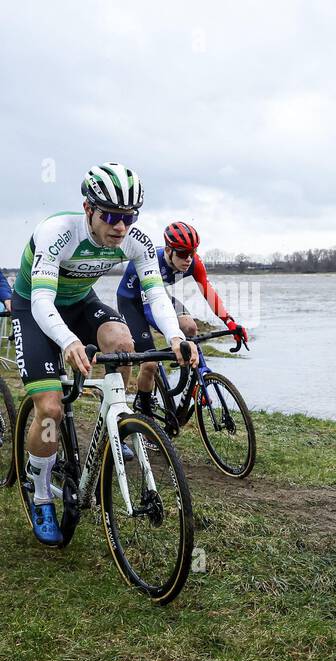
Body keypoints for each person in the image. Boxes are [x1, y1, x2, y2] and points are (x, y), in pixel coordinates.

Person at [10, 163, 196, 546]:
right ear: (88, 209)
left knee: (123, 343)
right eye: (110, 215)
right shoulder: (57, 233)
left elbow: (155, 294)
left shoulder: (135, 240)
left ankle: (117, 417)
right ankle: (40, 490)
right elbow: (43, 298)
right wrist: (69, 342)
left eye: (128, 217)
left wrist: (176, 336)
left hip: (80, 302)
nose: (120, 226)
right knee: (50, 408)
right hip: (34, 306)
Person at [116, 220, 248, 410]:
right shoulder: (151, 260)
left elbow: (208, 293)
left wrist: (229, 323)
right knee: (150, 364)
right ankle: (143, 403)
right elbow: (149, 310)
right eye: (184, 254)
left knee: (191, 327)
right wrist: (174, 338)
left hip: (158, 295)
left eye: (192, 253)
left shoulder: (193, 263)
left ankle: (195, 380)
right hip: (132, 302)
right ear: (169, 250)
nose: (189, 259)